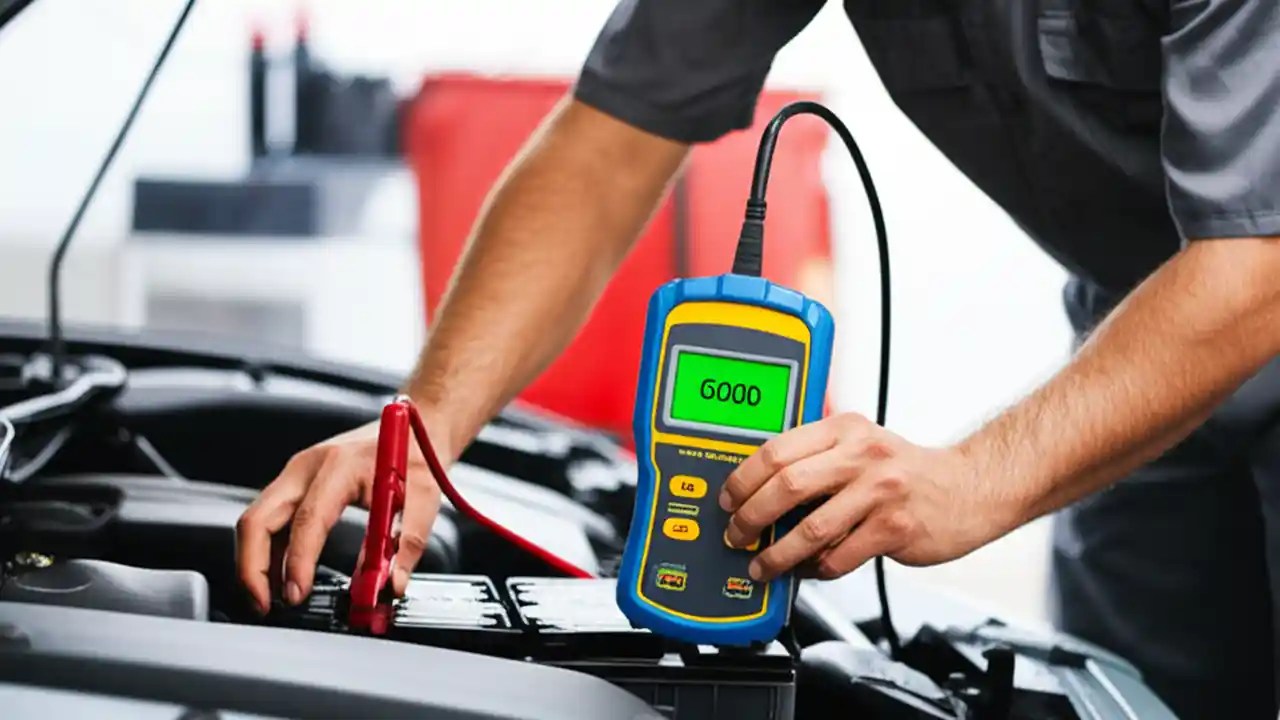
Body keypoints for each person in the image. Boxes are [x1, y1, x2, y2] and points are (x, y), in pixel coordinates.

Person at [235, 2, 1280, 717]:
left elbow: (1253, 265)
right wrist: (424, 427)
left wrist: (964, 480)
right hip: (1138, 343)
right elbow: (611, 141)